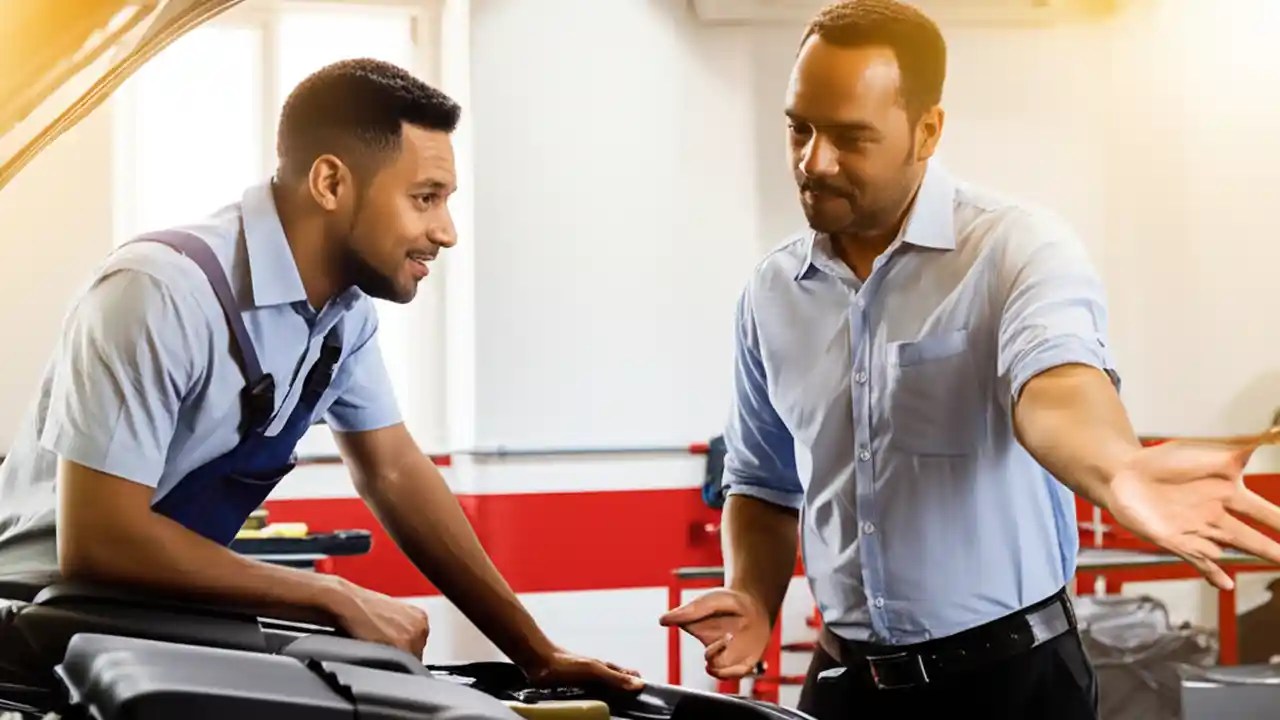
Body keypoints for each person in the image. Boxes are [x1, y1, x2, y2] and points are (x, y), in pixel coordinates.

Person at [660, 1, 1280, 717]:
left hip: (1011, 686)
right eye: (800, 128)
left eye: (852, 137)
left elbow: (1054, 388)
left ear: (927, 131)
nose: (813, 161)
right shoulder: (771, 292)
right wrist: (752, 595)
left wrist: (1118, 467)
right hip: (847, 687)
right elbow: (762, 484)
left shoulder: (1016, 251)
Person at [0, 58, 641, 692]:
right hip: (37, 620)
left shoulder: (342, 316)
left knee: (390, 683)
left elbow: (394, 472)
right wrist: (331, 593)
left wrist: (538, 655)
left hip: (143, 617)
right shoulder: (160, 291)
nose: (445, 232)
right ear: (331, 183)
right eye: (425, 199)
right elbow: (100, 541)